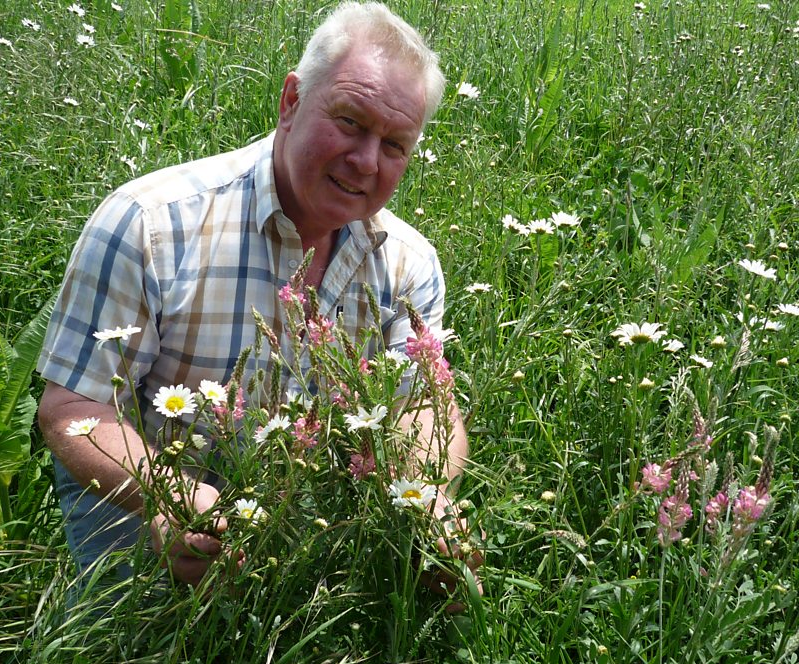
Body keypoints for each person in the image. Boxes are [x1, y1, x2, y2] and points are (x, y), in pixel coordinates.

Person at [36, 1, 478, 600]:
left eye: (394, 145)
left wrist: (427, 500)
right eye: (350, 122)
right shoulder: (150, 225)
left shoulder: (408, 262)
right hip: (145, 511)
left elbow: (420, 404)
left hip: (308, 534)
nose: (365, 161)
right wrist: (173, 501)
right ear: (291, 101)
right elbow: (71, 409)